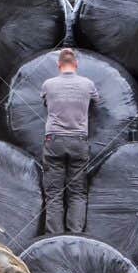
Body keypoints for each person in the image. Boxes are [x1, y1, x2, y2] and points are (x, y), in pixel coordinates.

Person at [40, 48, 98, 233]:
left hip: (54, 140)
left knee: (54, 193)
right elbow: (96, 101)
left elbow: (45, 102)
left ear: (59, 65)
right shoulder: (88, 84)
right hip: (78, 140)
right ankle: (75, 234)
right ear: (76, 64)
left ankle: (54, 237)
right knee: (78, 192)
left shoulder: (48, 84)